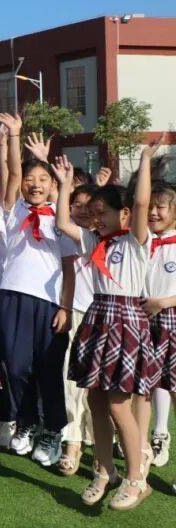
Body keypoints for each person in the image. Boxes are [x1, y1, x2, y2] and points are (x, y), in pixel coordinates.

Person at [56, 144, 160, 510]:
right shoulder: (94, 241)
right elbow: (63, 223)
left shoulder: (135, 242)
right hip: (98, 319)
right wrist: (65, 185)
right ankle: (104, 471)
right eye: (93, 213)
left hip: (125, 321)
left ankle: (136, 478)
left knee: (118, 404)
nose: (96, 219)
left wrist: (143, 161)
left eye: (103, 213)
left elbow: (142, 203)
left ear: (124, 214)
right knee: (96, 400)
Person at [0, 116, 76, 464]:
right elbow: (12, 171)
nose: (35, 184)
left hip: (49, 303)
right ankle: (26, 421)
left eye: (42, 179)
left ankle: (53, 429)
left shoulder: (61, 217)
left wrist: (66, 307)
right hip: (11, 296)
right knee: (14, 366)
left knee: (48, 369)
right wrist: (15, 135)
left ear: (52, 183)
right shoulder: (12, 210)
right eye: (30, 180)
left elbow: (69, 268)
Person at [57, 183, 97, 476]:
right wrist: (64, 183)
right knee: (71, 381)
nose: (83, 211)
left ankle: (99, 444)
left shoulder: (109, 237)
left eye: (90, 206)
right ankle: (72, 441)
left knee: (99, 387)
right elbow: (61, 221)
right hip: (78, 313)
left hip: (107, 318)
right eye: (77, 204)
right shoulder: (76, 237)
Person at [145, 179, 176, 467]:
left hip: (171, 319)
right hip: (145, 319)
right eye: (150, 206)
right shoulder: (143, 241)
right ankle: (159, 433)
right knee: (151, 381)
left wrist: (163, 302)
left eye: (161, 207)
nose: (153, 212)